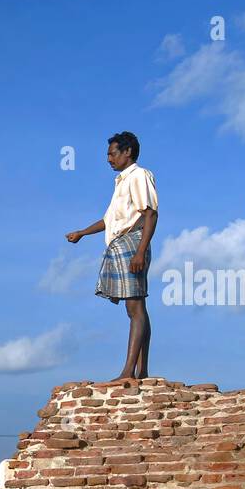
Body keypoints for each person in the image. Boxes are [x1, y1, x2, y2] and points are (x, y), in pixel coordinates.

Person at [65, 131, 158, 382]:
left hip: (133, 242)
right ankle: (140, 371)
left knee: (135, 307)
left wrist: (140, 251)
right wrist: (83, 233)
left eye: (112, 153)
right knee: (136, 307)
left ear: (127, 152)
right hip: (122, 243)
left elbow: (150, 214)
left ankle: (130, 371)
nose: (108, 159)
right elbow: (108, 220)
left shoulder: (139, 175)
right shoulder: (121, 182)